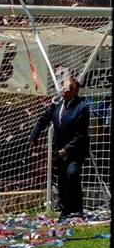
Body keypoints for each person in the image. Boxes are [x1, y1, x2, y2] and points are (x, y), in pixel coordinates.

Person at [29, 69, 90, 218]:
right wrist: (34, 136)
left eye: (67, 91)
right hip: (58, 149)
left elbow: (81, 134)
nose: (64, 93)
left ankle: (76, 210)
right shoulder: (57, 103)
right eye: (63, 90)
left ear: (74, 92)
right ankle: (64, 211)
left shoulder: (82, 108)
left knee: (72, 174)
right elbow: (44, 118)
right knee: (62, 179)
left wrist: (67, 149)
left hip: (74, 151)